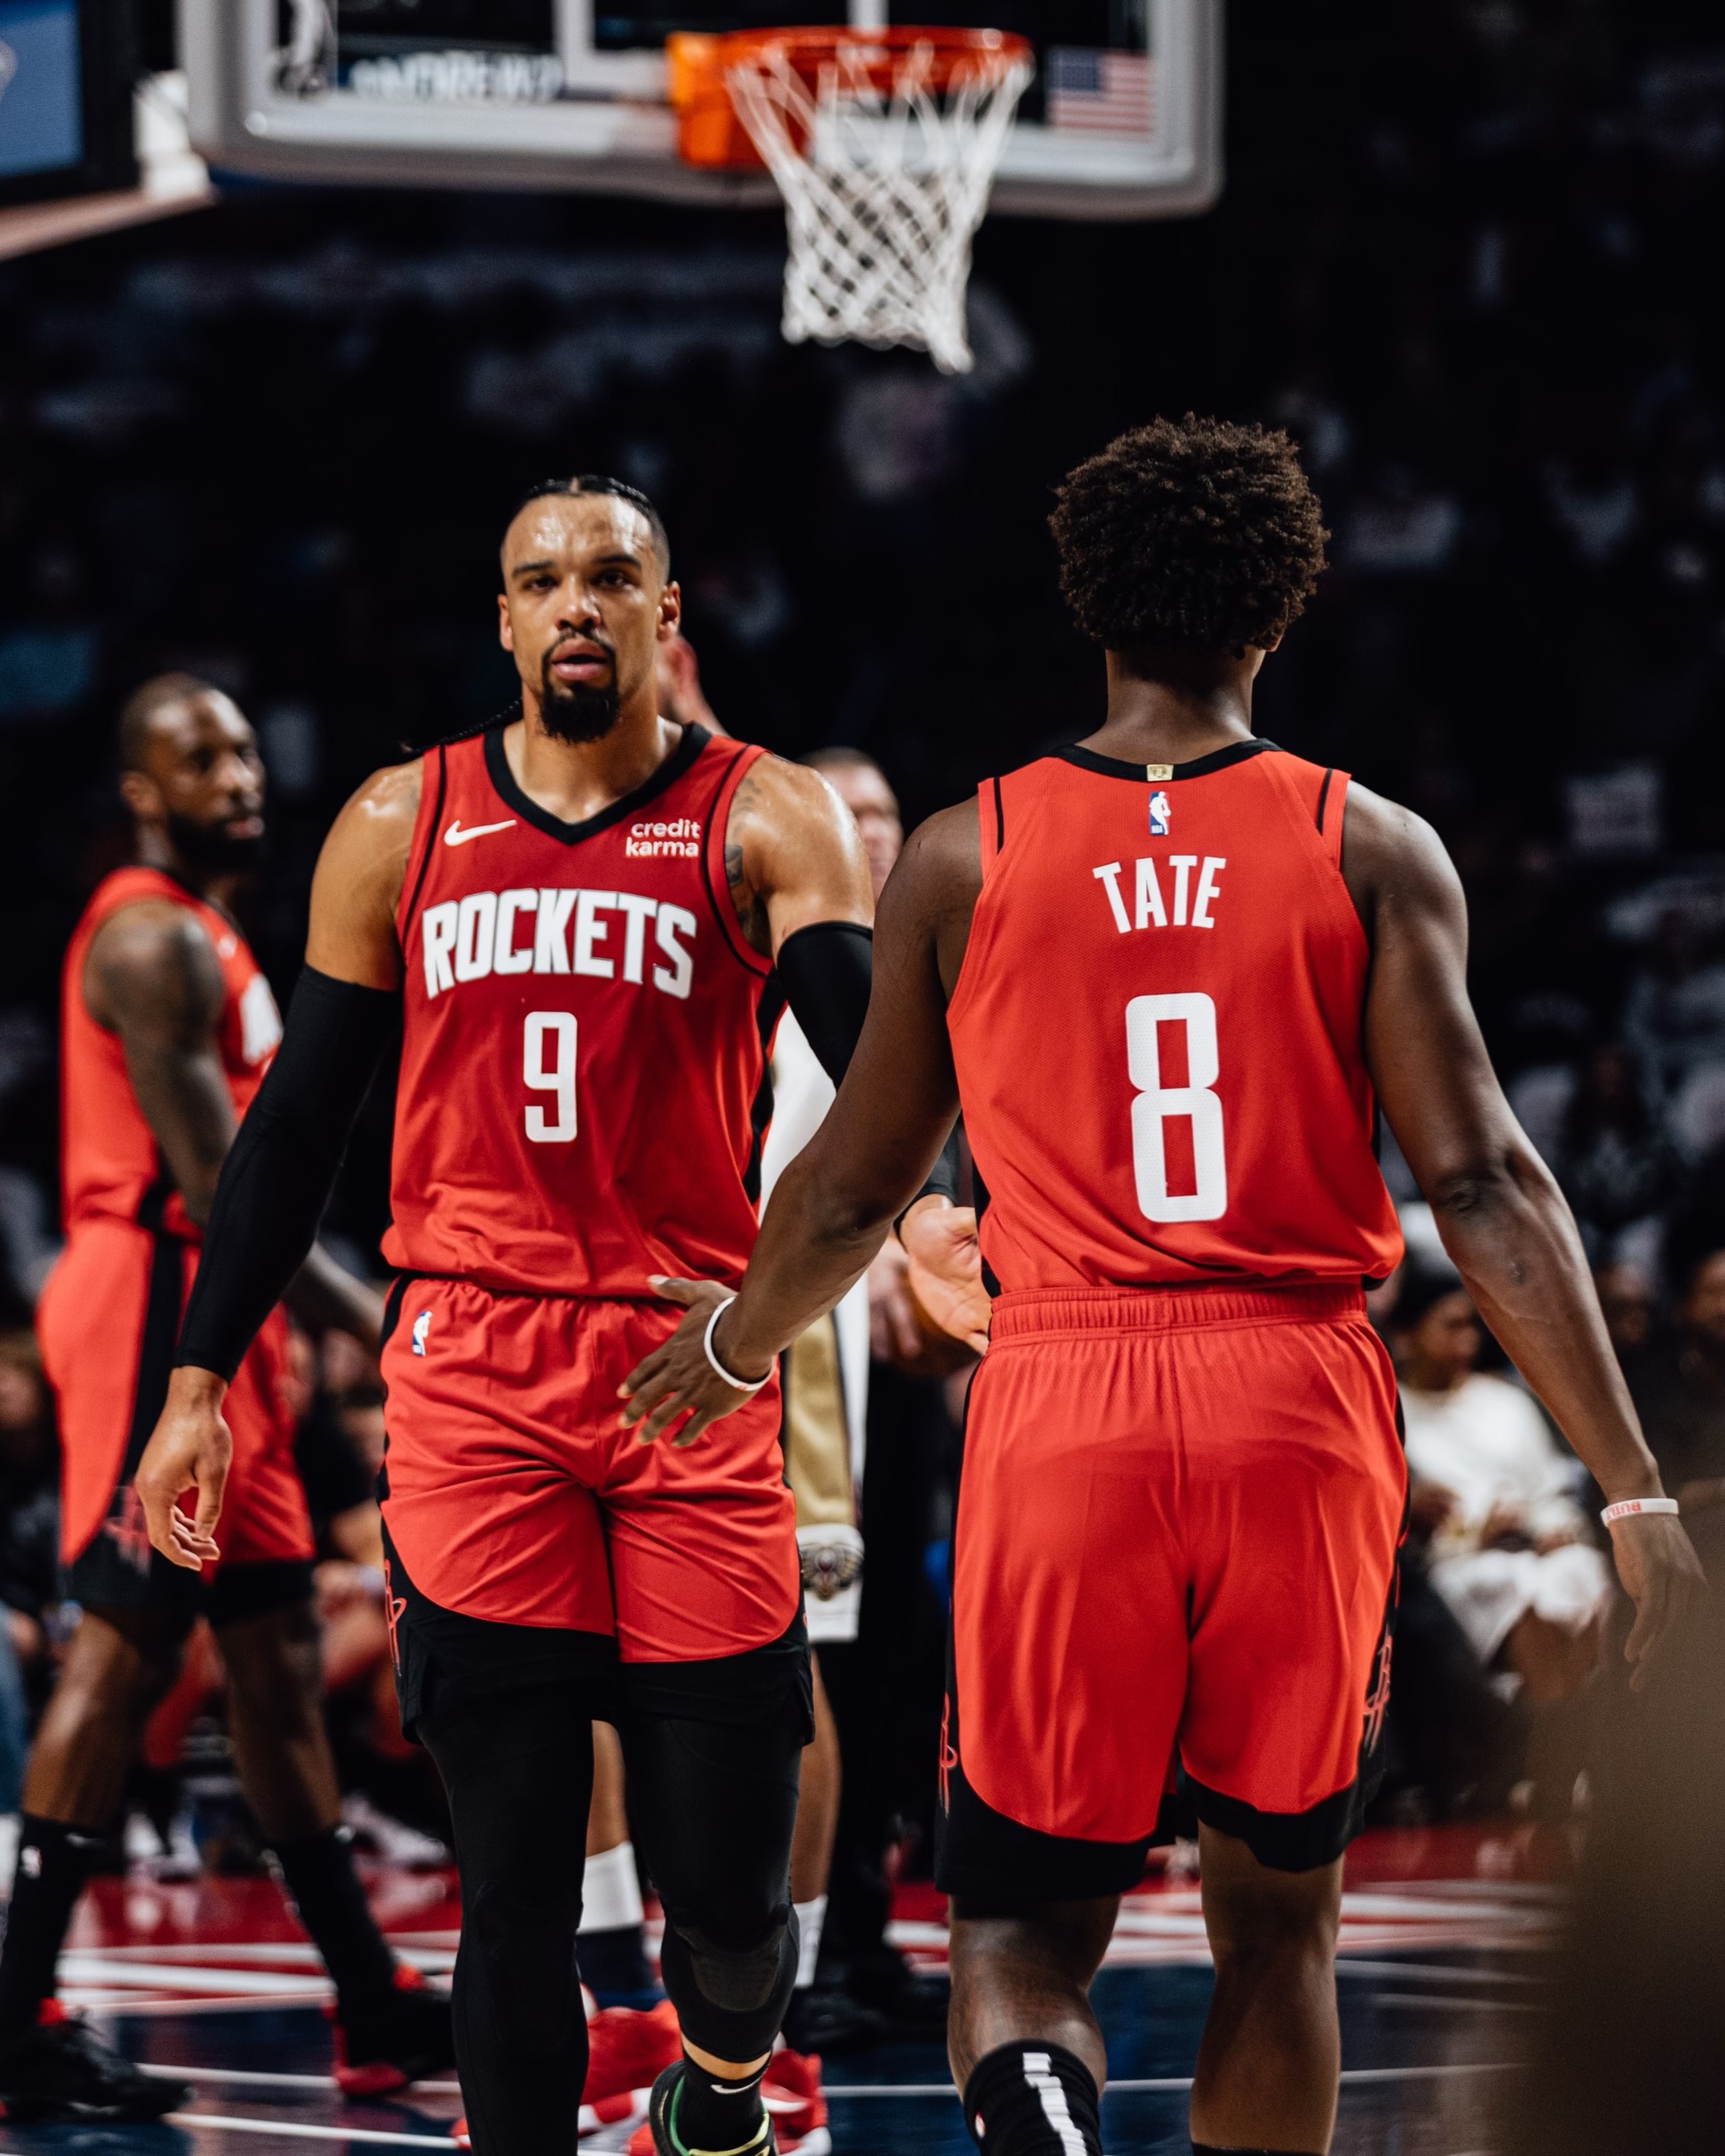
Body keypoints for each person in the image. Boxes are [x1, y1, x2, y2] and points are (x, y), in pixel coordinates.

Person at [617, 415, 1705, 2156]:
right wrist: (1631, 1480)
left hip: (1065, 1405)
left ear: (1086, 608)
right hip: (1296, 1404)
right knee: (1279, 1924)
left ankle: (1043, 2129)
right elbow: (1488, 1184)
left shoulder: (963, 855)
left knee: (1018, 1931)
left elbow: (854, 1181)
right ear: (1280, 609)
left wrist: (735, 1344)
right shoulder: (1371, 845)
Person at [138, 476, 881, 2156]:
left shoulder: (766, 819)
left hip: (688, 1374)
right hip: (474, 1382)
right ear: (500, 618)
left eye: (608, 577)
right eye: (538, 579)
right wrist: (197, 1375)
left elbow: (897, 1082)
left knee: (728, 1912)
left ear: (660, 611)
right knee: (516, 1888)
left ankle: (723, 2074)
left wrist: (810, 1289)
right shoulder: (402, 821)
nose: (573, 604)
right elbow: (292, 1128)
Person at [3, 677, 452, 2125]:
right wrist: (389, 1315)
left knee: (265, 1658)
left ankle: (371, 2000)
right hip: (153, 1304)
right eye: (200, 755)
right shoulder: (146, 937)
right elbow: (216, 1188)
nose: (239, 772)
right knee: (126, 1644)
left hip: (214, 1316)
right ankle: (13, 2015)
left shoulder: (212, 932)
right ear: (140, 787)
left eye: (249, 746)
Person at [1394, 1262, 1614, 1702]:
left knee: (1583, 1572)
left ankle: (1584, 1726)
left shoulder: (1505, 1401)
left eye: (1471, 1326)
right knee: (1511, 1587)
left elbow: (1551, 1489)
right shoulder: (1391, 1410)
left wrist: (1554, 1527)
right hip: (1452, 1564)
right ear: (1407, 1334)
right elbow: (1402, 1514)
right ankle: (1552, 1737)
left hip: (1531, 1544)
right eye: (1450, 1326)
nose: (1467, 1341)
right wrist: (1476, 1532)